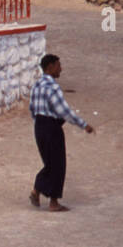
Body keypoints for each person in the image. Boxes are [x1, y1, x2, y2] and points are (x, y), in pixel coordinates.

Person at [29, 53, 94, 212]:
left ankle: (37, 190)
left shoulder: (37, 85)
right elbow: (64, 111)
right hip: (52, 128)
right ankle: (53, 202)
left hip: (39, 127)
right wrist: (83, 125)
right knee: (57, 164)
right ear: (50, 67)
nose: (61, 69)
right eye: (58, 65)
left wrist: (39, 123)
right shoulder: (53, 87)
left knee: (50, 162)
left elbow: (32, 108)